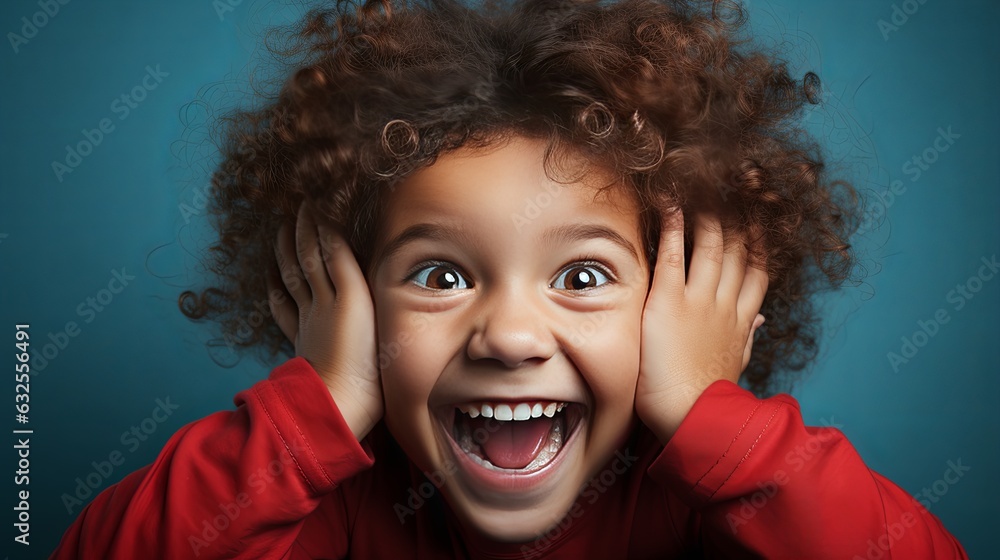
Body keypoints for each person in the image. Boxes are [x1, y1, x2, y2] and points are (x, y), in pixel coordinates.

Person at [51, 0, 967, 558]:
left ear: (680, 305)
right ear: (353, 304)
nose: (511, 336)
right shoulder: (341, 505)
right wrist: (312, 408)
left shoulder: (710, 507)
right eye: (442, 275)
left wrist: (713, 418)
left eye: (581, 274)